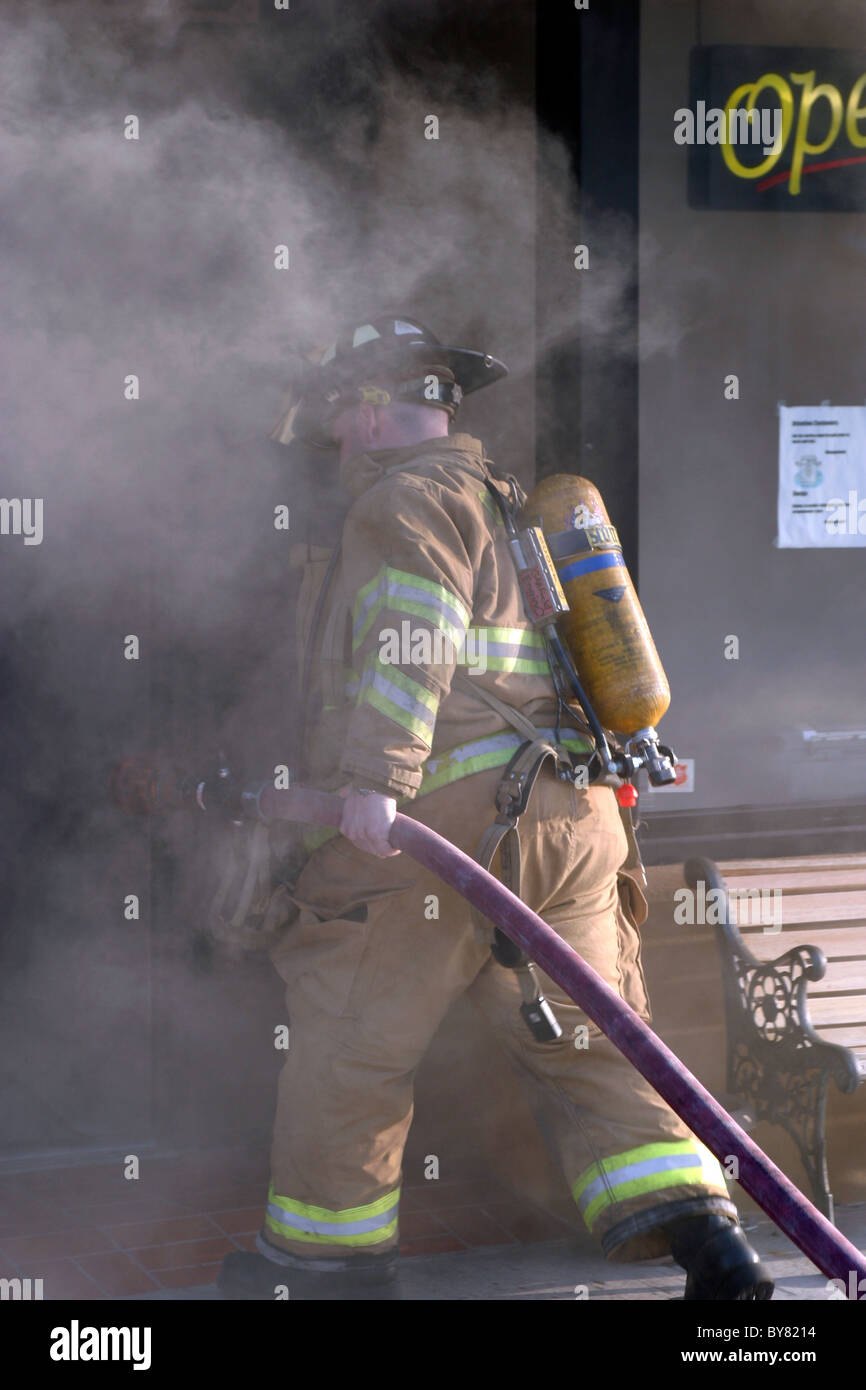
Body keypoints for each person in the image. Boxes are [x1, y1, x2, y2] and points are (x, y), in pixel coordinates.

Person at [217, 316, 773, 1302]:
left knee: (350, 1040)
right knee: (597, 1042)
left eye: (343, 421)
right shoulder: (508, 502)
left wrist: (375, 786)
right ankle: (713, 1248)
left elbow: (413, 635)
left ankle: (319, 1269)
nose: (338, 444)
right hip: (575, 823)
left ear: (380, 411)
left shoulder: (404, 500)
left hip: (448, 825)